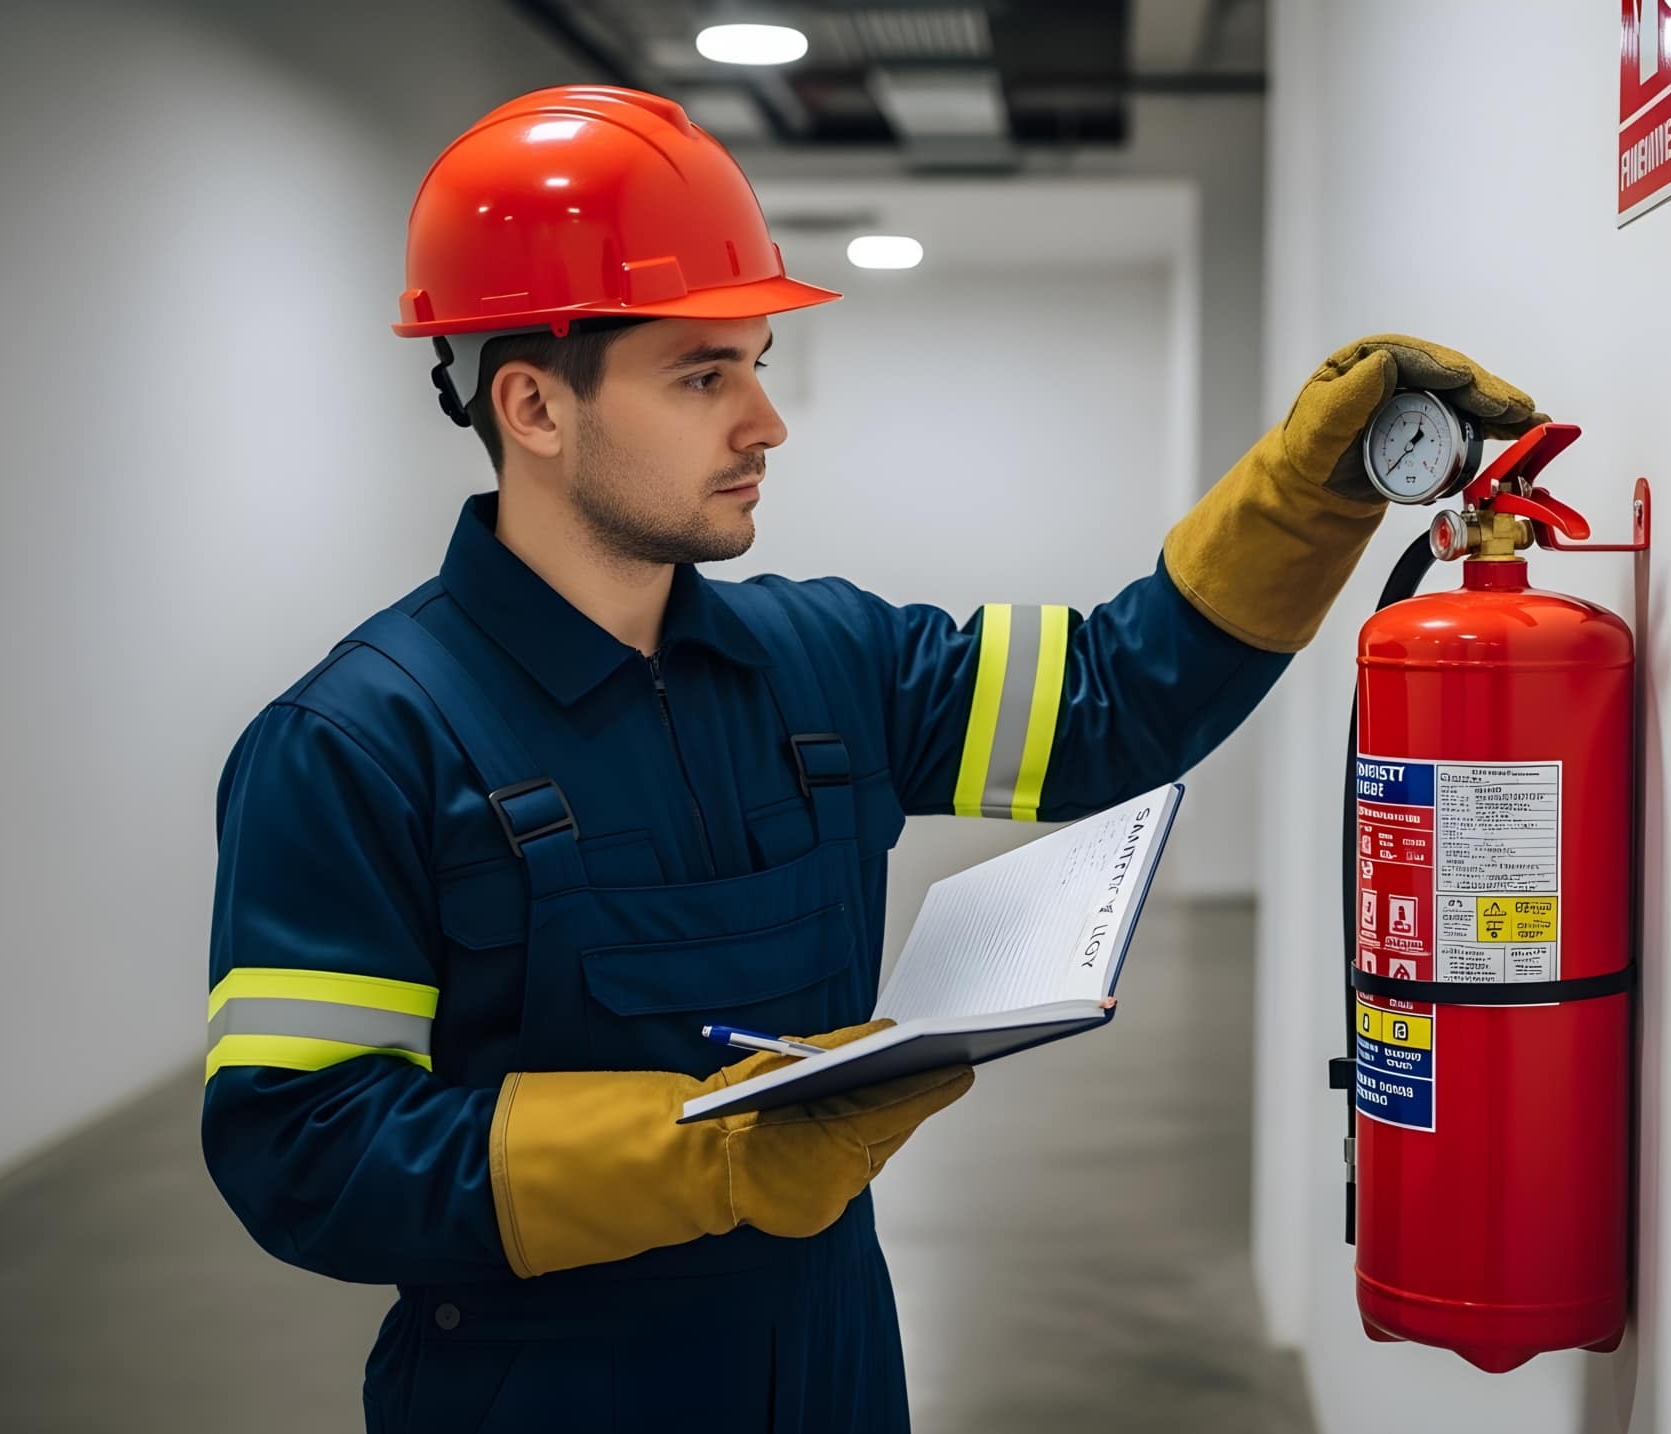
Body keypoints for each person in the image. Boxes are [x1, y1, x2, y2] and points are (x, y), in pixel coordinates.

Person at [201, 84, 1540, 1433]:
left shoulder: (827, 658)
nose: (765, 423)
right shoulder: (352, 745)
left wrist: (1310, 494)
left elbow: (1108, 699)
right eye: (701, 373)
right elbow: (304, 1143)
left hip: (833, 1362)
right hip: (542, 1391)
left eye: (758, 364)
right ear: (535, 405)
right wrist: (703, 1159)